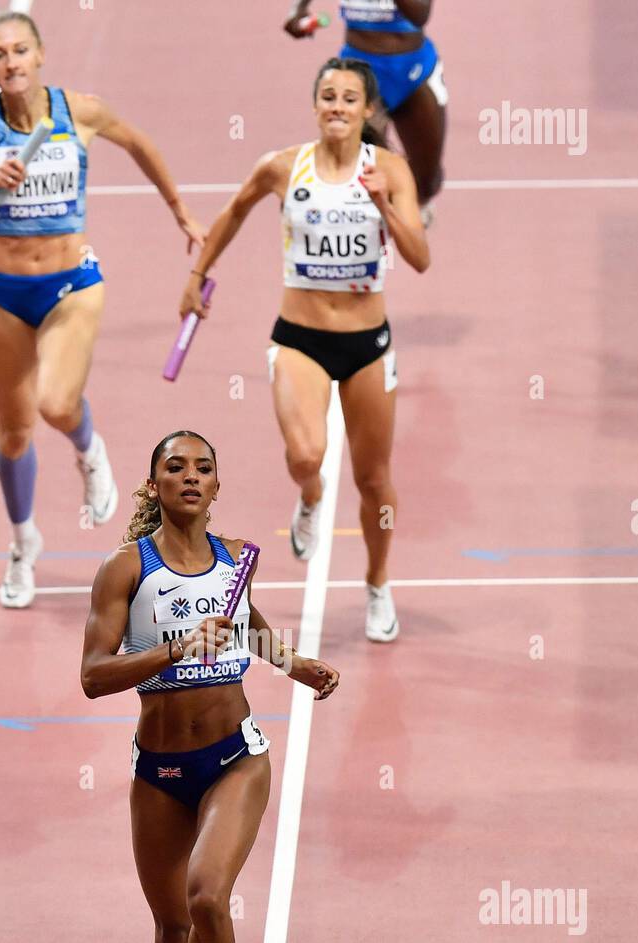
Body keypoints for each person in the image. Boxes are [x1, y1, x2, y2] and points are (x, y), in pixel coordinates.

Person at [80, 430, 340, 943]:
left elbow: (247, 631)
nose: (190, 477)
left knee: (205, 896)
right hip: (159, 773)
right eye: (175, 467)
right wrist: (170, 650)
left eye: (203, 468)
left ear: (217, 486)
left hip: (235, 758)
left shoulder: (236, 560)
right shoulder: (124, 570)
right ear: (154, 484)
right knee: (171, 930)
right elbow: (93, 676)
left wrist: (297, 665)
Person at [0, 8, 206, 608]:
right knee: (11, 433)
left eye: (20, 51)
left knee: (54, 402)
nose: (10, 63)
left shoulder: (78, 110)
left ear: (39, 55)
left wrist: (180, 209)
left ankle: (89, 449)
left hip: (72, 285)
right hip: (5, 292)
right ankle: (23, 545)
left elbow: (139, 143)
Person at [179, 59, 429, 642]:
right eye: (327, 96)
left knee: (373, 481)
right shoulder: (282, 167)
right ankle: (310, 499)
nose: (337, 106)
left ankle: (376, 584)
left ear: (367, 110)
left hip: (368, 344)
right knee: (305, 455)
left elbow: (420, 256)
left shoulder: (389, 169)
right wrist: (198, 274)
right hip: (300, 338)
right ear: (315, 105)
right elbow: (234, 211)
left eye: (348, 98)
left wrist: (384, 205)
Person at [284, 2, 447, 227]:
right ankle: (371, 237)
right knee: (362, 176)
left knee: (428, 181)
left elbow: (420, 14)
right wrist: (298, 10)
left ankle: (417, 202)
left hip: (414, 69)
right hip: (358, 70)